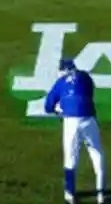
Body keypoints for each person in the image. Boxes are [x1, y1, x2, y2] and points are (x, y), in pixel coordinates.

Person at [45, 58, 106, 204]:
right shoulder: (85, 77)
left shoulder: (60, 82)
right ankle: (101, 195)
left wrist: (59, 109)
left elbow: (48, 106)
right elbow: (88, 95)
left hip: (71, 122)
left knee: (71, 158)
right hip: (89, 119)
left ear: (63, 70)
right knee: (97, 154)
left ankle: (70, 195)